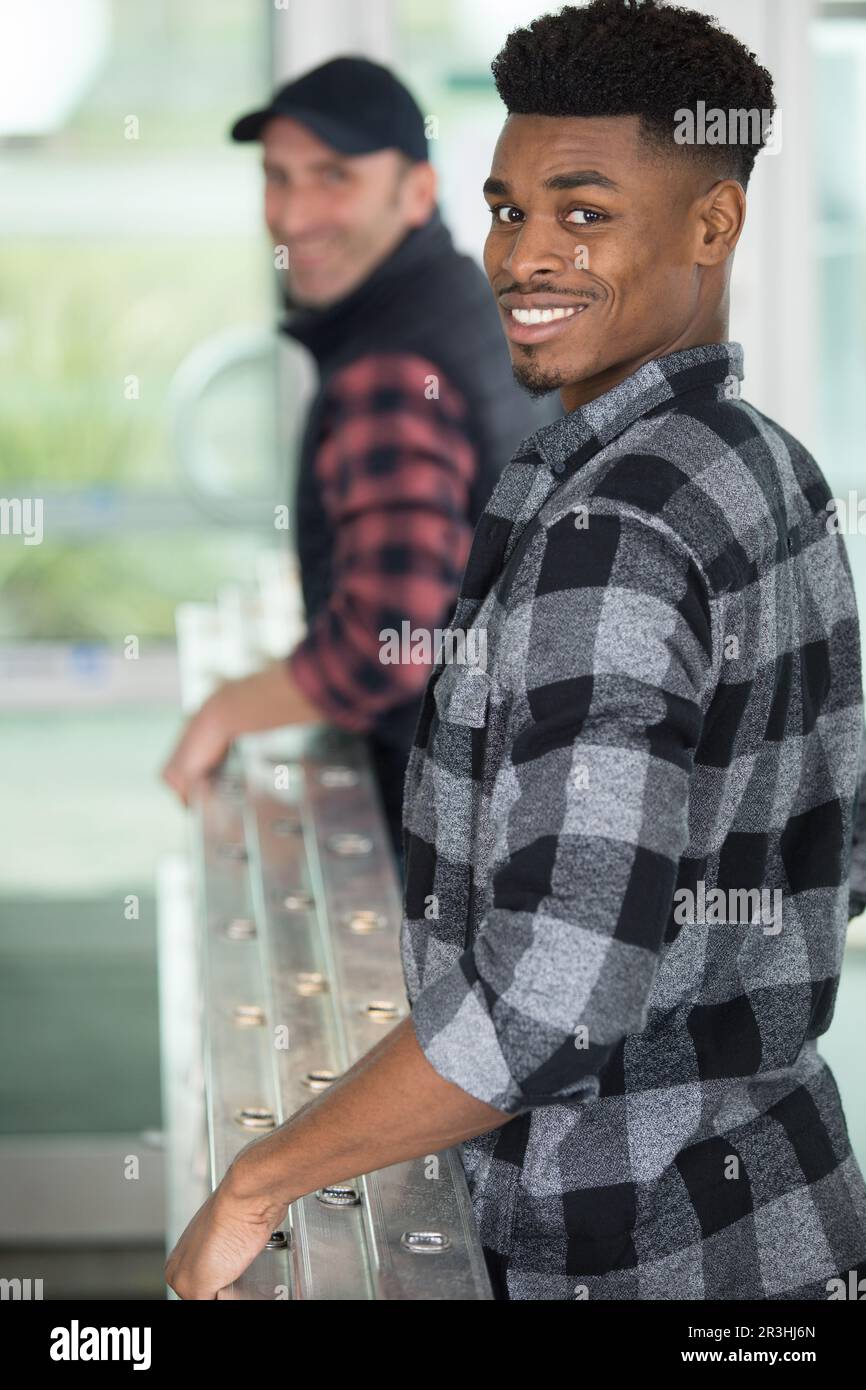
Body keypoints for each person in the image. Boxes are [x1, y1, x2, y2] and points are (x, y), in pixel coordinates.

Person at [165, 0, 866, 1301]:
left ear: (712, 225)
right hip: (788, 1207)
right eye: (508, 210)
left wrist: (260, 1176)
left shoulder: (610, 529)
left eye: (584, 212)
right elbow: (828, 850)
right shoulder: (768, 469)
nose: (525, 256)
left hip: (624, 1251)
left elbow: (545, 1006)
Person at [161, 56, 544, 866]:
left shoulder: (390, 368)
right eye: (278, 177)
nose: (294, 215)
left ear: (414, 191)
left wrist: (227, 711)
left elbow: (390, 638)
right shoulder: (468, 300)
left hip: (447, 823)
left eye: (332, 177)